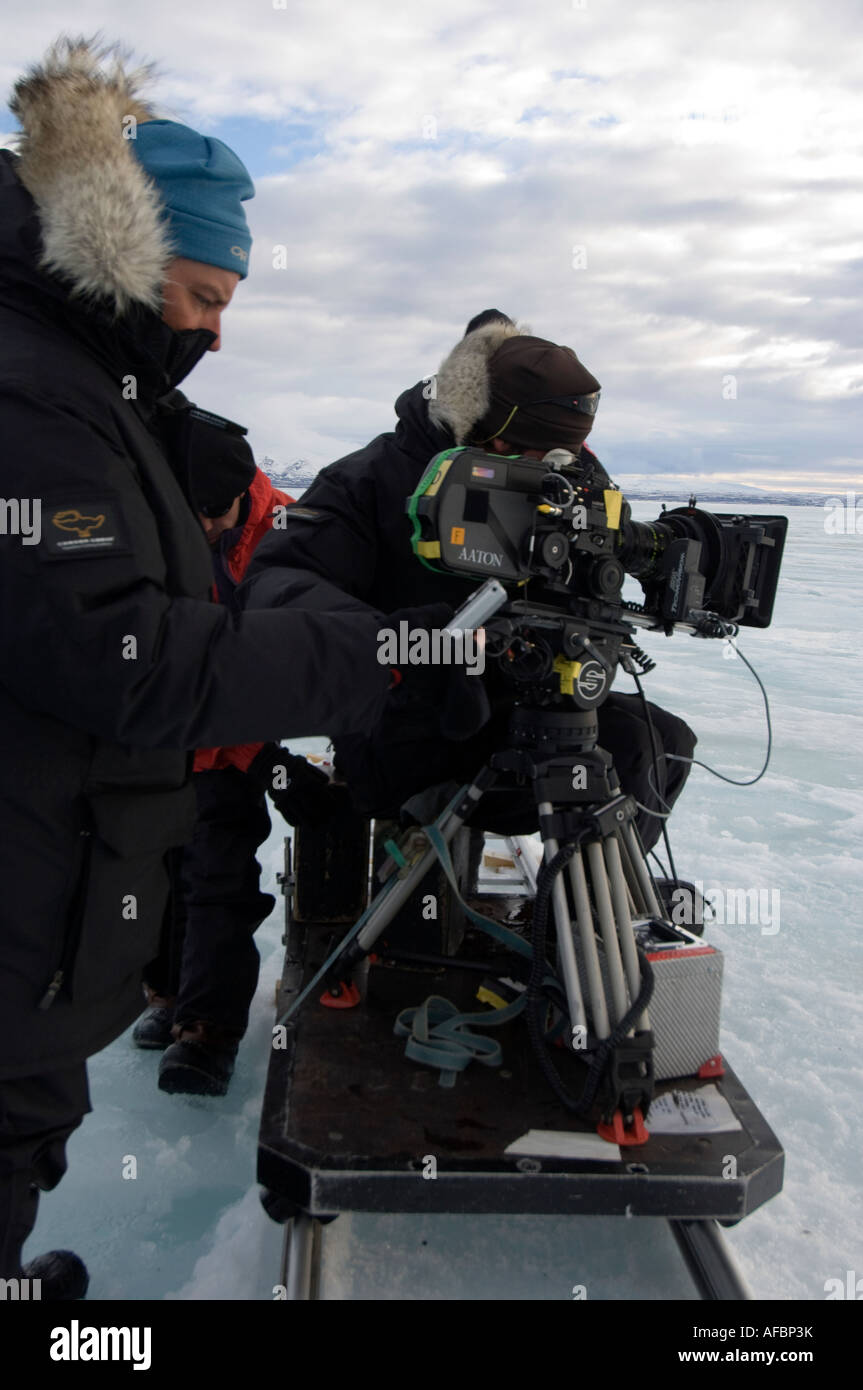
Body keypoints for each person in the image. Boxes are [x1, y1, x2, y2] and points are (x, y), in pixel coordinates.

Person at [0, 37, 438, 1296]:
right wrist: (342, 654)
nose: (212, 333)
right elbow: (117, 652)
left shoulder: (84, 394)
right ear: (121, 262)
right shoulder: (34, 402)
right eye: (202, 297)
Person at [240, 311, 697, 846]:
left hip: (531, 709)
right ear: (485, 432)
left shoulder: (575, 482)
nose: (548, 472)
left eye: (563, 456)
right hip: (407, 726)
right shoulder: (372, 478)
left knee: (656, 742)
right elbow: (274, 584)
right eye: (533, 454)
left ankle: (594, 918)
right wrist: (398, 639)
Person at [134, 435, 352, 1095]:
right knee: (162, 863)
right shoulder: (161, 525)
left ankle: (207, 1031)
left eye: (213, 512)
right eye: (189, 511)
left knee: (219, 866)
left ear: (242, 494)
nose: (202, 525)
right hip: (167, 726)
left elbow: (285, 663)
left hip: (241, 725)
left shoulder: (289, 537)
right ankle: (167, 994)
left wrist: (275, 766)